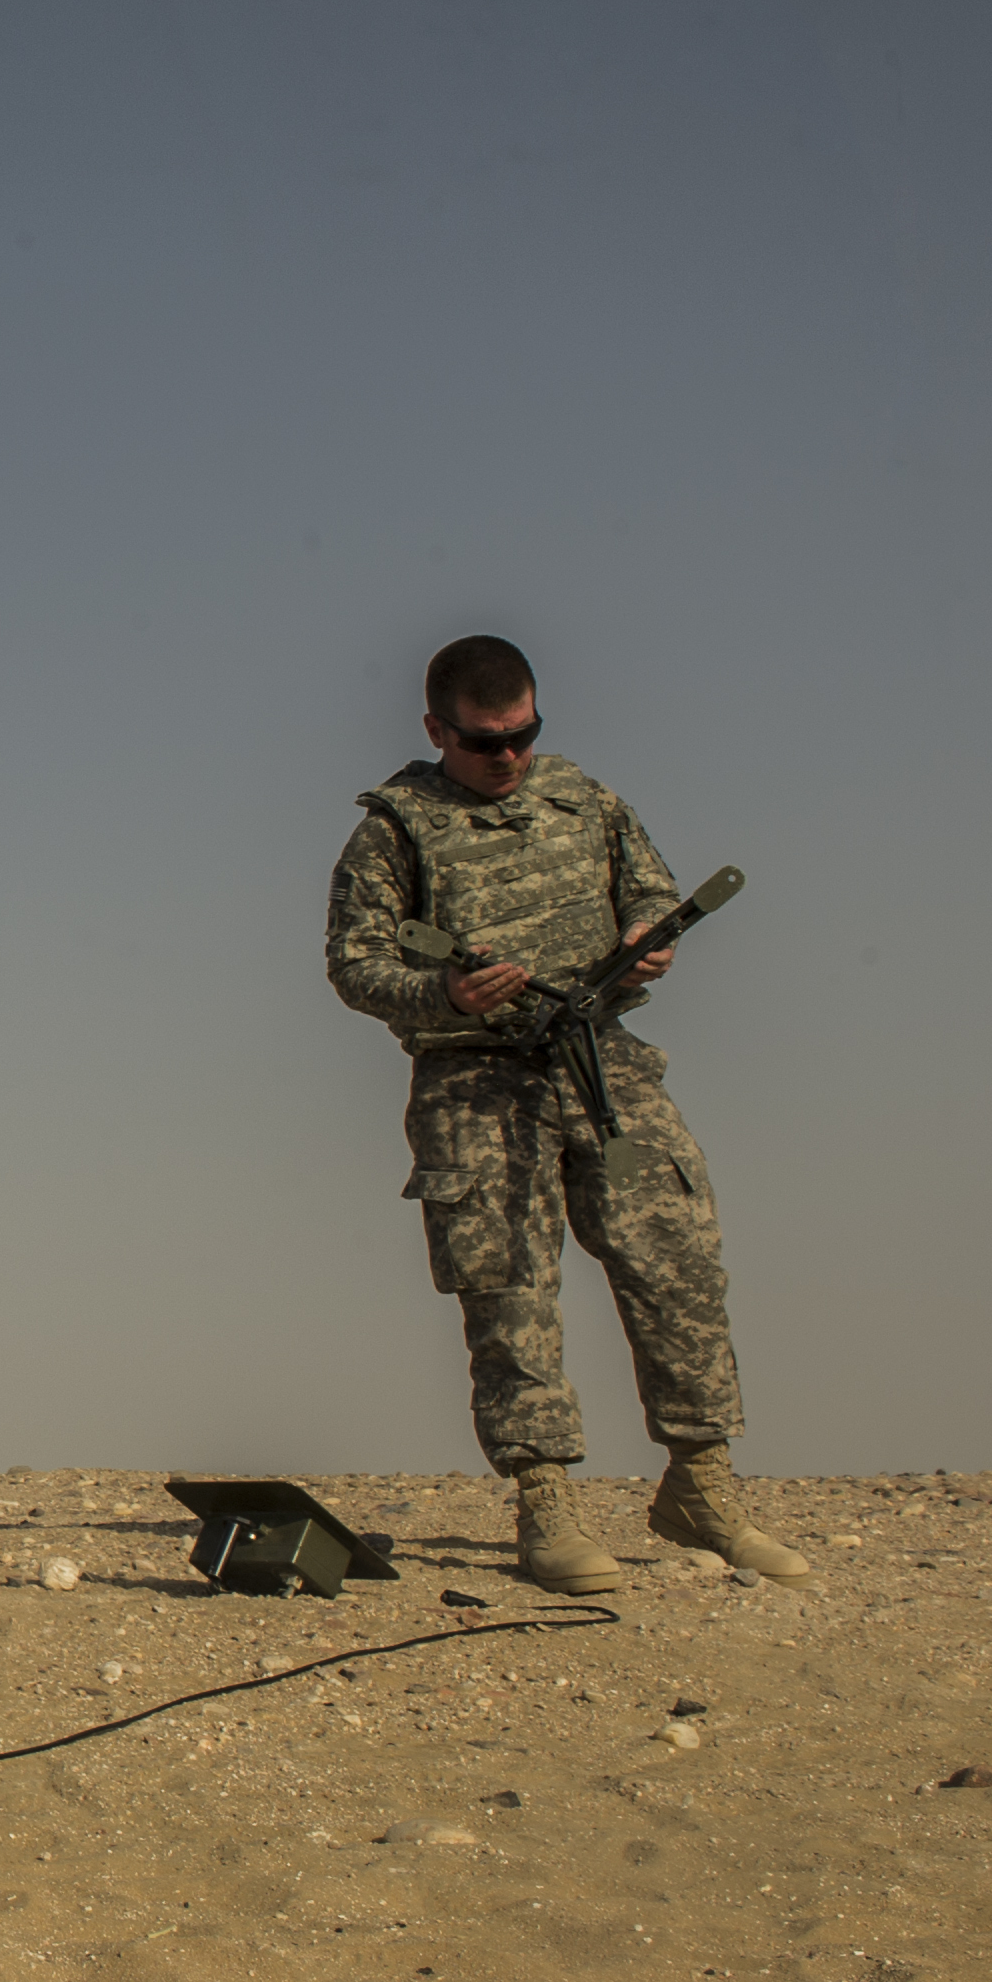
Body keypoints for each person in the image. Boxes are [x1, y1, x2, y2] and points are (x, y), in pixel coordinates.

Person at [323, 635, 808, 1592]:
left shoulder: (587, 802)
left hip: (602, 1071)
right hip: (477, 1087)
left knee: (673, 1262)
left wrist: (646, 938)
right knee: (508, 1297)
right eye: (484, 742)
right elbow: (355, 963)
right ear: (436, 730)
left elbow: (650, 889)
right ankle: (545, 1507)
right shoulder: (396, 829)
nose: (508, 757)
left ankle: (700, 1486)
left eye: (523, 736)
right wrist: (448, 998)